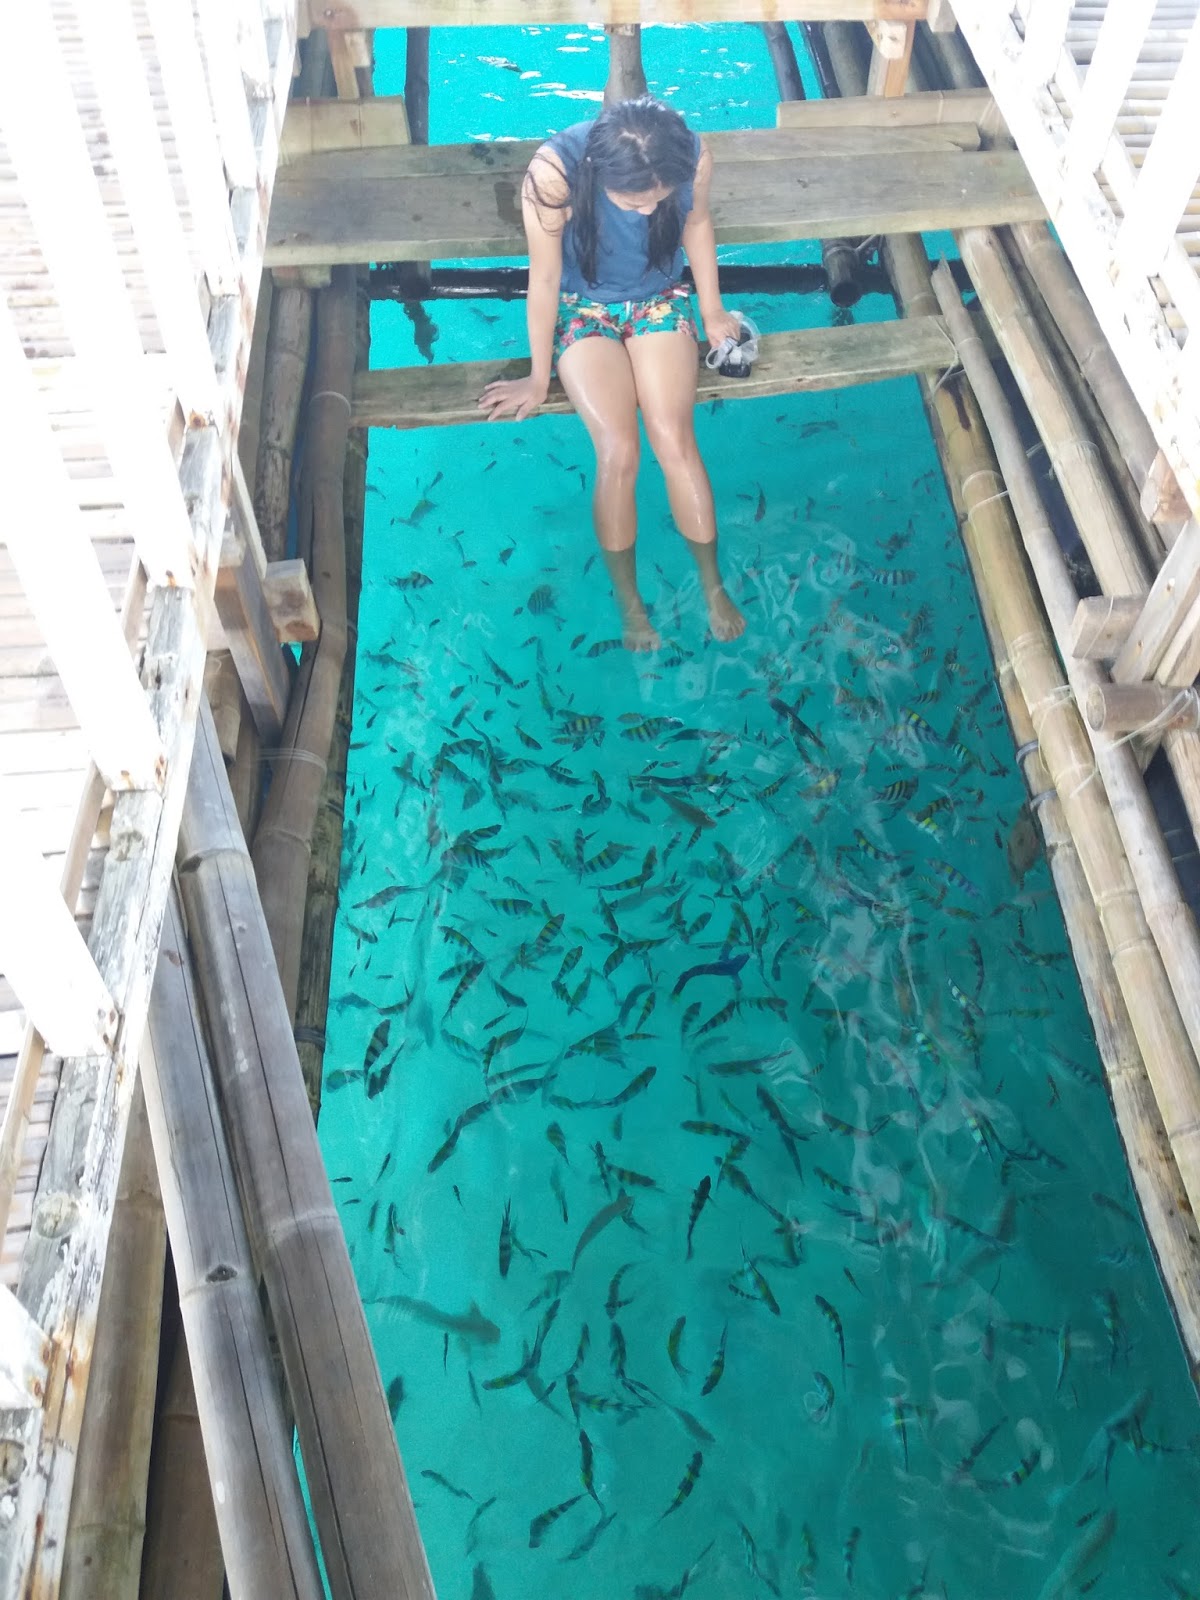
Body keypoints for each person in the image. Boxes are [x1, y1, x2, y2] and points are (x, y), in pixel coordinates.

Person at [478, 96, 747, 651]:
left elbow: (696, 224)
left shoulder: (690, 155)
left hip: (659, 298)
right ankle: (631, 606)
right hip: (582, 307)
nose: (649, 212)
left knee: (674, 438)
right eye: (634, 200)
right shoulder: (553, 174)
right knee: (618, 451)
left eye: (658, 199)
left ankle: (712, 584)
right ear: (600, 176)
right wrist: (535, 375)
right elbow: (546, 278)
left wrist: (713, 309)